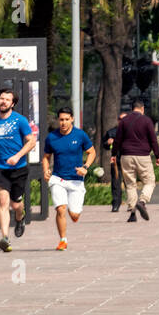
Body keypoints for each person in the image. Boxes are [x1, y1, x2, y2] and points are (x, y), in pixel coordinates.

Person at [0, 88, 37, 252]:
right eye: (1, 98)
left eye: (7, 99)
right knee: (3, 202)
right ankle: (5, 238)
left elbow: (31, 142)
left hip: (18, 168)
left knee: (16, 205)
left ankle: (20, 218)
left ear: (13, 103)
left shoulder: (20, 120)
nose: (3, 102)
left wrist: (17, 155)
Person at [42, 107, 95, 251]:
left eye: (66, 119)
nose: (63, 122)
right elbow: (46, 157)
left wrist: (85, 167)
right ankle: (63, 240)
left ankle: (75, 214)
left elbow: (91, 152)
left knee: (74, 215)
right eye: (61, 120)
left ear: (72, 119)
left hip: (76, 180)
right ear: (58, 120)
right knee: (60, 209)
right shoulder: (52, 137)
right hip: (58, 179)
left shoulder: (80, 135)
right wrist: (46, 170)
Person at [118, 97, 159, 222]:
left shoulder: (124, 121)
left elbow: (118, 140)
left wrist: (114, 155)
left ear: (132, 109)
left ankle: (132, 213)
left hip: (126, 156)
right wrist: (157, 156)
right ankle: (142, 202)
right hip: (143, 156)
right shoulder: (147, 121)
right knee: (149, 181)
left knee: (130, 184)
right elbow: (153, 139)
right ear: (142, 109)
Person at [104, 109, 127, 211]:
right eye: (120, 119)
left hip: (128, 160)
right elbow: (104, 145)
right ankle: (116, 204)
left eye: (124, 119)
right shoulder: (111, 132)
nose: (122, 121)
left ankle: (132, 203)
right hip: (116, 161)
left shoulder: (132, 132)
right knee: (116, 183)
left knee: (129, 183)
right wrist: (108, 143)